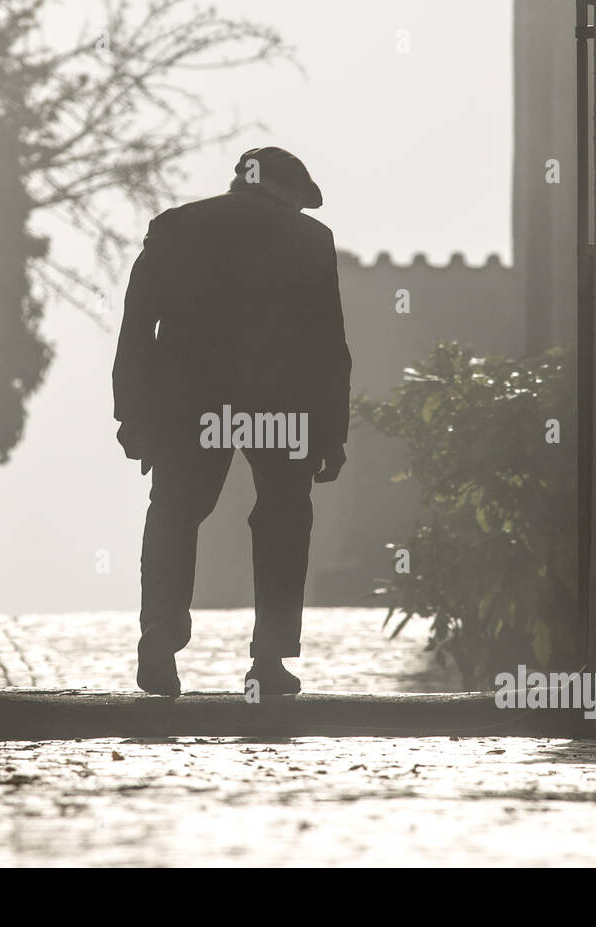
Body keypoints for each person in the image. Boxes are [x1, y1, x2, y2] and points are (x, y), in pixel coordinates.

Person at [113, 146, 351, 696]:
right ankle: (269, 660)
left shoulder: (176, 227)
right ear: (290, 193)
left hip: (191, 404)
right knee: (283, 523)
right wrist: (332, 432)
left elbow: (137, 330)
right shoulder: (309, 239)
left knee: (175, 514)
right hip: (282, 408)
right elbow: (328, 346)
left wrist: (133, 414)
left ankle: (159, 642)